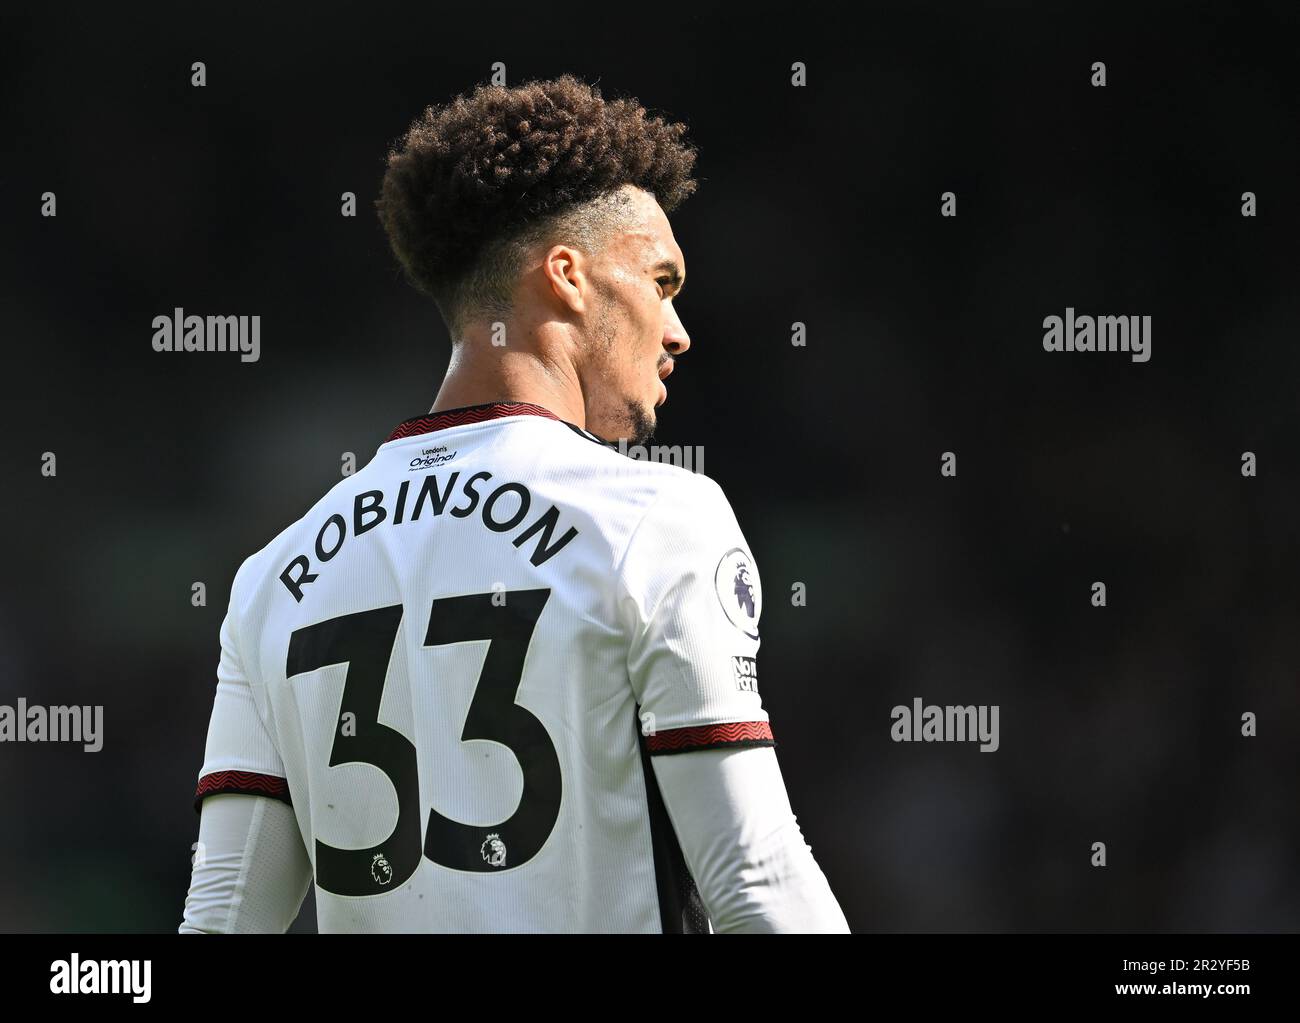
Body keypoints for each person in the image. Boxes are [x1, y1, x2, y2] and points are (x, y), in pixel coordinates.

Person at [180, 75, 848, 933]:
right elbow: (757, 885)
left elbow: (222, 922)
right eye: (662, 280)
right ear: (567, 277)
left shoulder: (273, 580)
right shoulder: (657, 520)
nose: (679, 329)